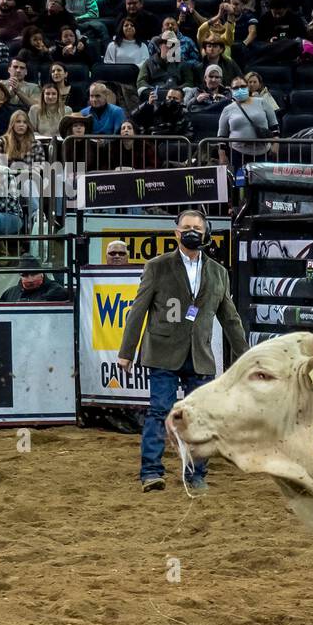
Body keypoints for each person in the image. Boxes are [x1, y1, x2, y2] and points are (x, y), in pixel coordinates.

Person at [117, 209, 248, 492]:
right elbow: (138, 310)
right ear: (176, 232)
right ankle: (151, 472)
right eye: (186, 227)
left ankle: (196, 474)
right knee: (159, 411)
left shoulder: (218, 272)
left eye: (197, 229)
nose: (191, 232)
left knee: (200, 418)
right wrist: (126, 352)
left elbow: (230, 318)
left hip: (200, 355)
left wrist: (245, 355)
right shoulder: (157, 267)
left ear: (206, 233)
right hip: (162, 352)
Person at [217, 75, 276, 168]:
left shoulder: (262, 102)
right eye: (236, 88)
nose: (240, 89)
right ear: (231, 90)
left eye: (243, 86)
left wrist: (275, 146)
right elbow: (222, 135)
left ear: (248, 87)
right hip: (237, 153)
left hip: (263, 152)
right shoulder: (227, 109)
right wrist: (222, 156)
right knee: (240, 177)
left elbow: (274, 126)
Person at [0, 254, 70, 301]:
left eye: (33, 274)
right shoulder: (10, 293)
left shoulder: (56, 290)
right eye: (25, 275)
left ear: (41, 274)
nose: (30, 279)